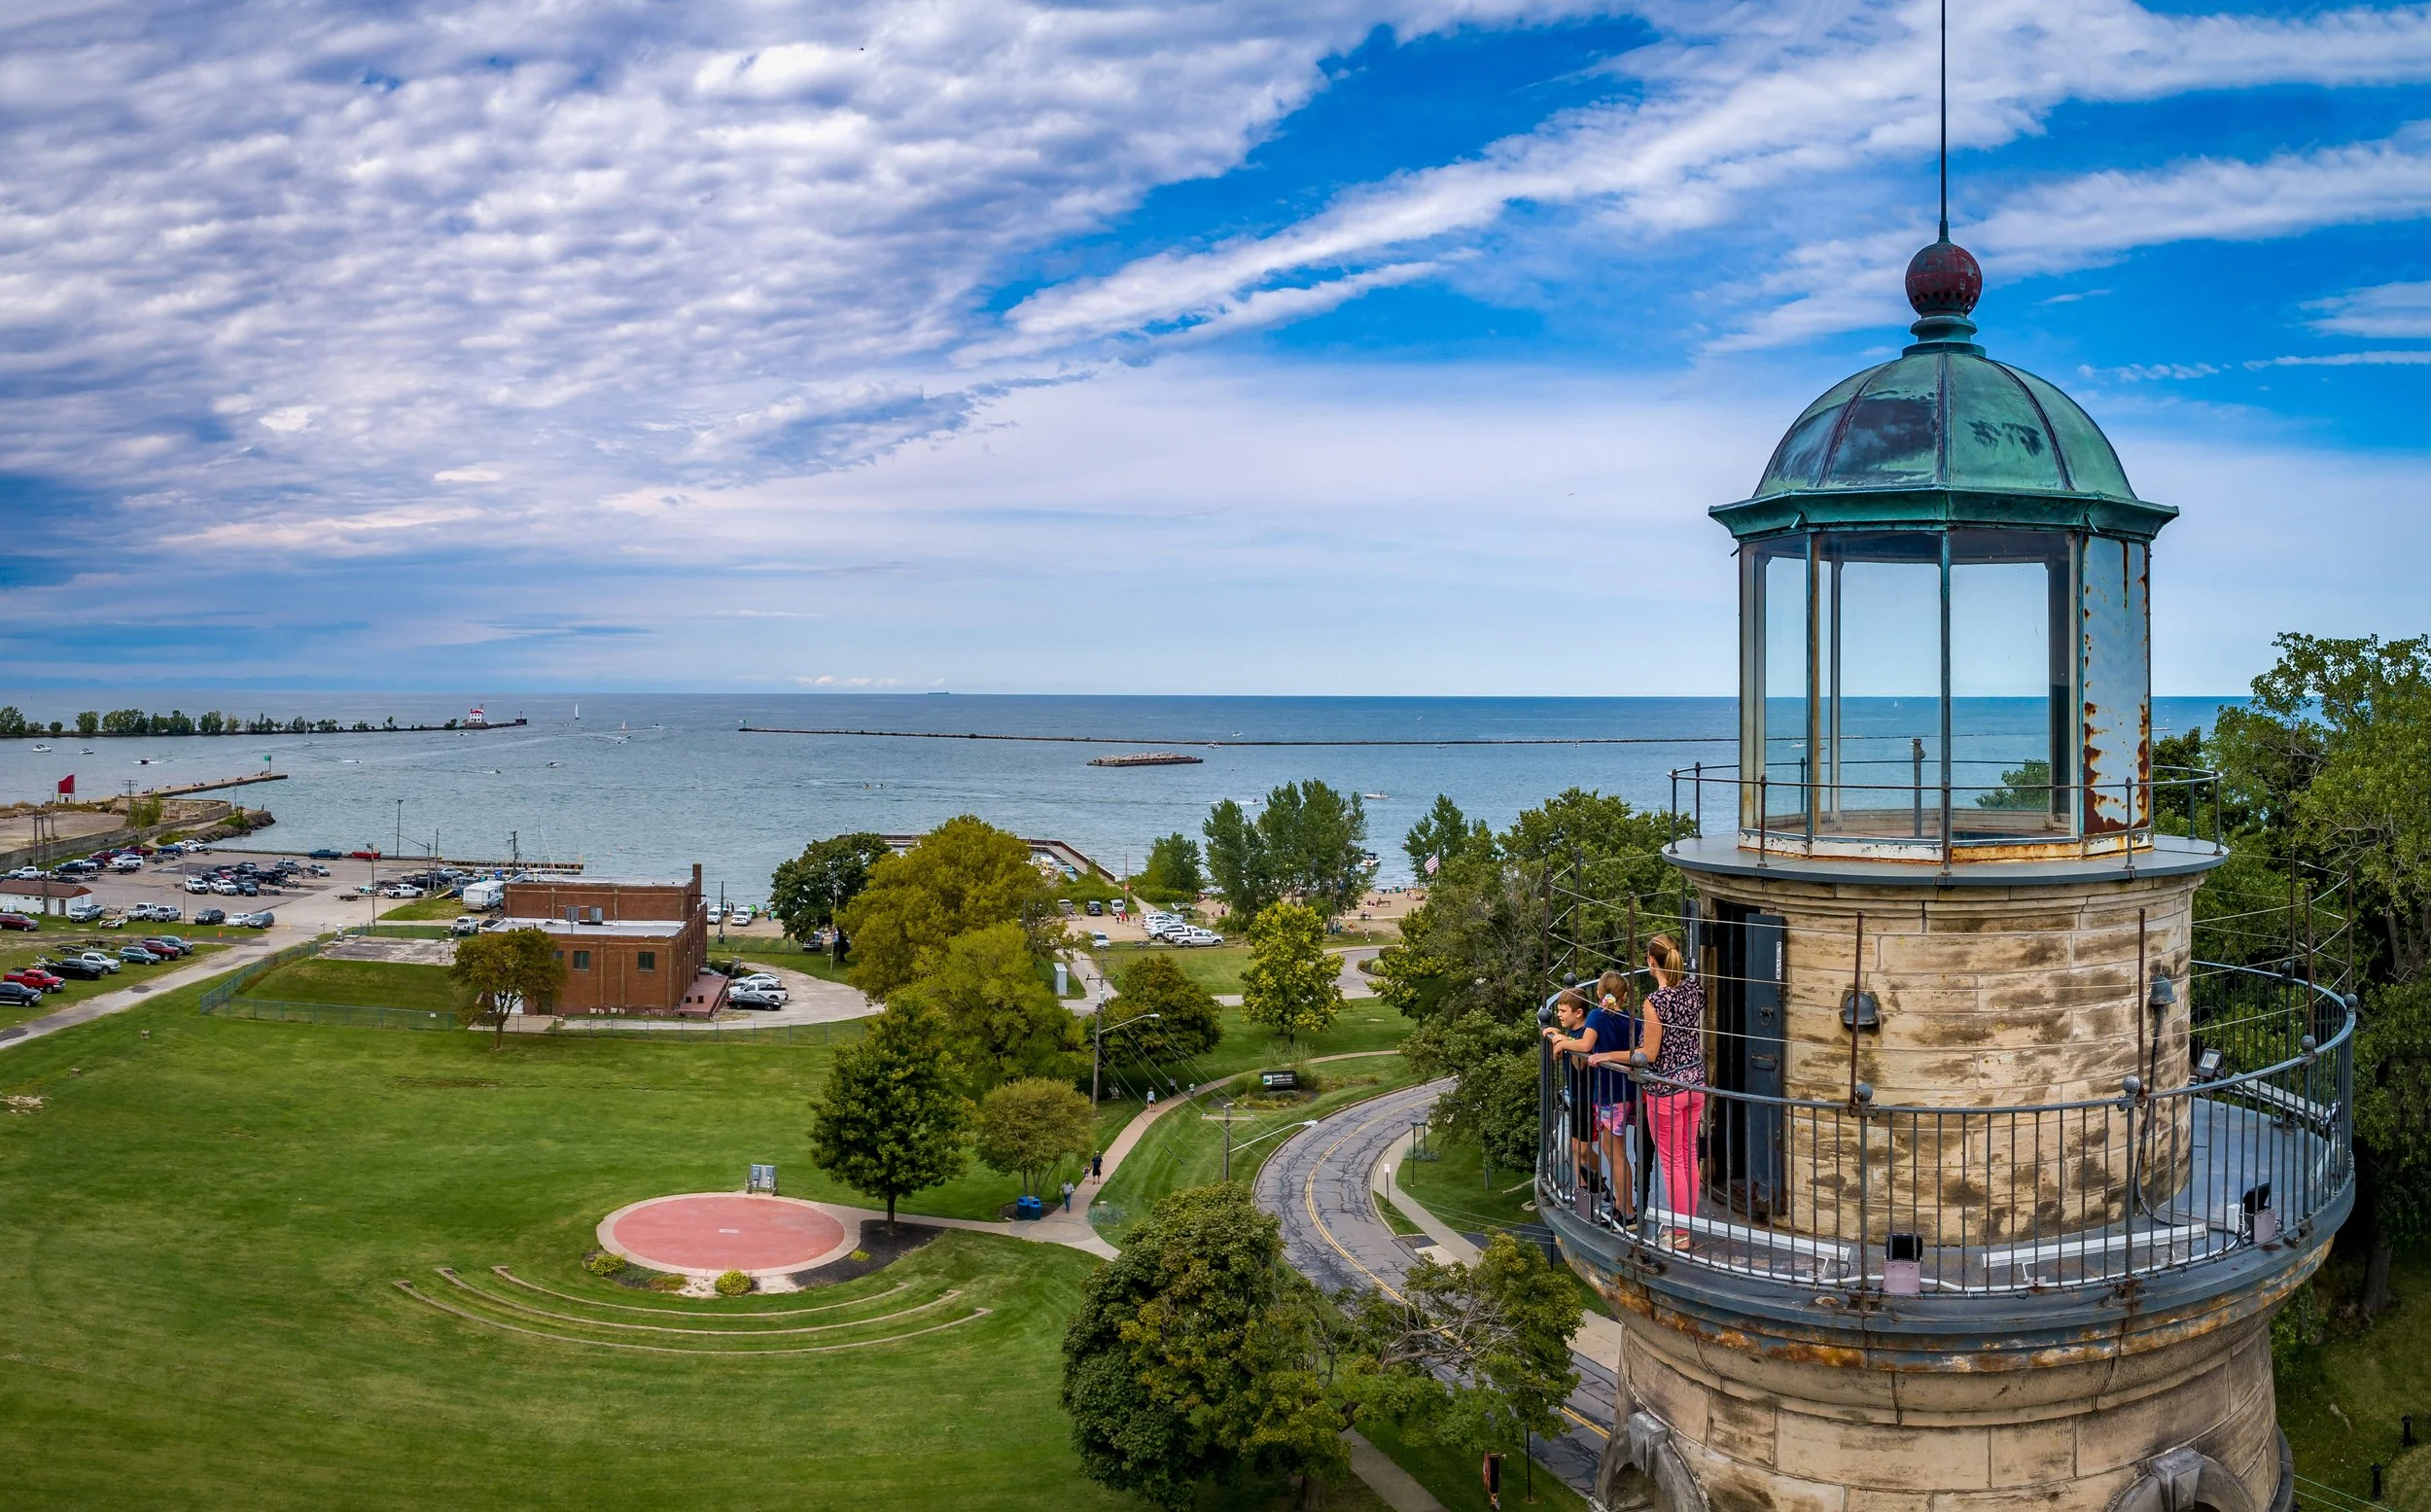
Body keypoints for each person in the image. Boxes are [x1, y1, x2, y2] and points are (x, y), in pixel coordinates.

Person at [1632, 933, 1706, 1249]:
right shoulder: (1692, 989)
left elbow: (1649, 1052)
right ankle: (1686, 1227)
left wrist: (1611, 1055)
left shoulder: (1655, 1002)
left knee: (1672, 1160)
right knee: (1688, 1156)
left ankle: (1680, 1234)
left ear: (1651, 961)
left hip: (1665, 1089)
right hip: (1694, 1083)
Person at [1582, 967, 1641, 1222]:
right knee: (1614, 1149)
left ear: (1599, 992)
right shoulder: (1633, 1021)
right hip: (1629, 1091)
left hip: (1609, 1093)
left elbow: (1585, 1045)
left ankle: (1626, 1210)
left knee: (1615, 1152)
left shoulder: (1596, 1016)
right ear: (1624, 996)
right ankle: (1623, 1202)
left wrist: (1562, 1041)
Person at [1539, 987, 1606, 1210]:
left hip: (1589, 1098)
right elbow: (1556, 1057)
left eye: (1563, 1011)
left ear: (1578, 1013)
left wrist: (1563, 1040)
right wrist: (1558, 1040)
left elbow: (1580, 1062)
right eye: (1558, 1010)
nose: (1559, 1015)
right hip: (1576, 1097)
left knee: (1584, 1150)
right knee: (1576, 1149)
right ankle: (1583, 1191)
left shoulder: (1587, 1033)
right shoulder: (1572, 1036)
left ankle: (1599, 1181)